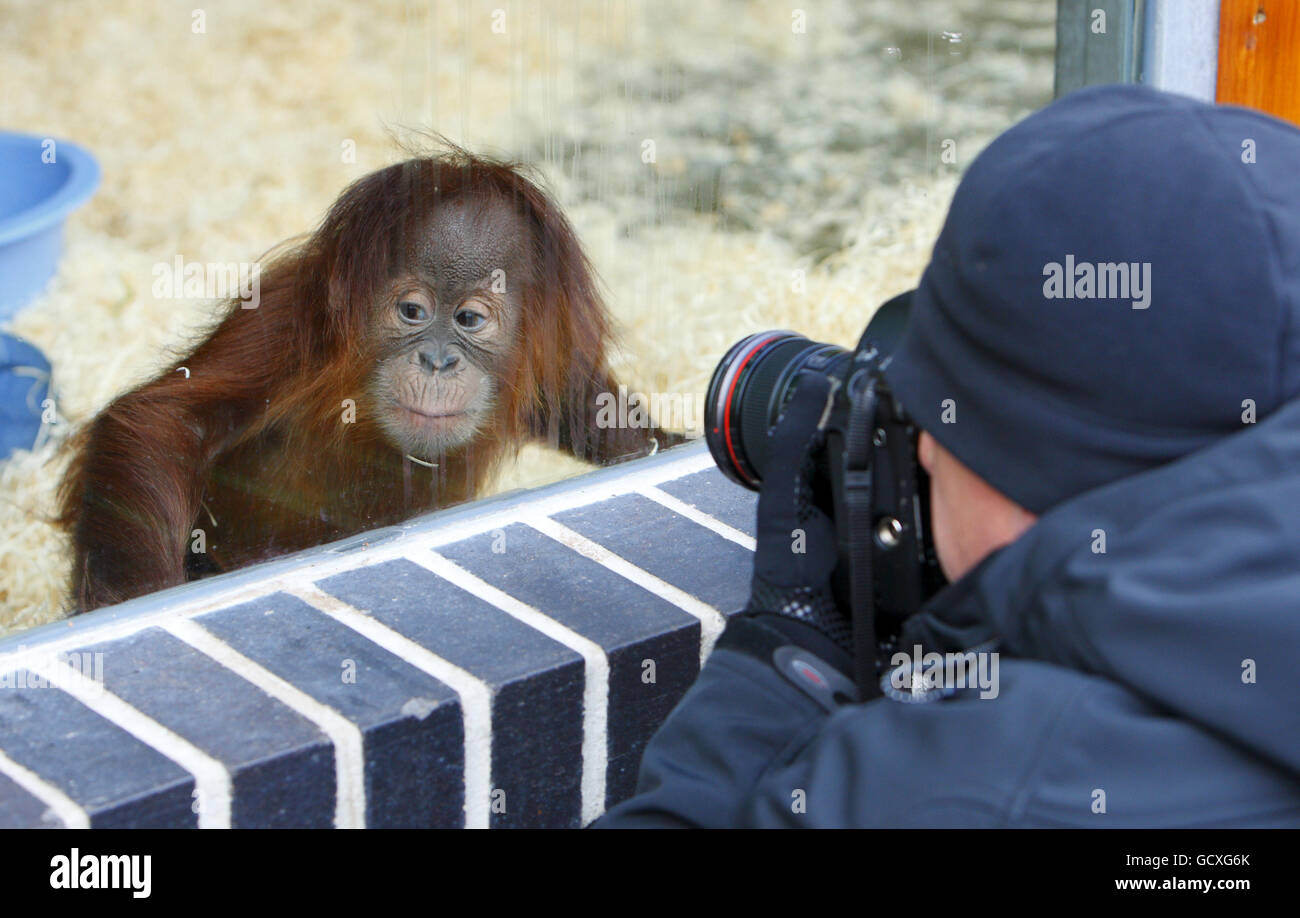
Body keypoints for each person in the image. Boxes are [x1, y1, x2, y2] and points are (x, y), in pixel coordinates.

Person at [595, 84, 1300, 828]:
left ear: (1017, 455)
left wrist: (784, 656)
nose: (925, 448)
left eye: (935, 409)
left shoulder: (971, 786)